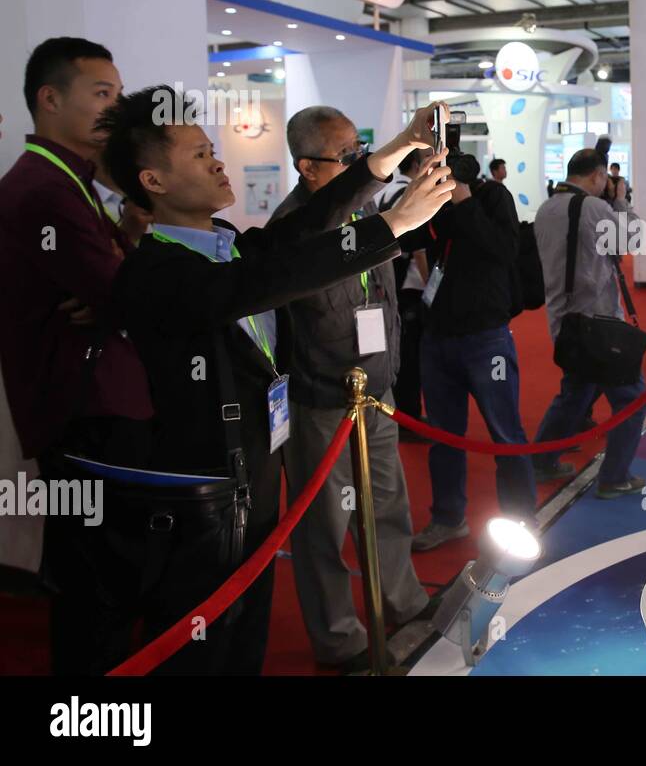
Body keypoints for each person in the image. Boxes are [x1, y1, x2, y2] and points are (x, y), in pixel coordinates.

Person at [103, 87, 452, 674]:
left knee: (247, 629)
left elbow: (312, 221)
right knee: (205, 638)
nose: (216, 162)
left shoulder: (229, 246)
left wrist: (399, 147)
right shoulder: (157, 272)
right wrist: (393, 222)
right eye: (197, 155)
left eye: (212, 149)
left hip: (255, 478)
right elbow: (274, 276)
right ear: (153, 182)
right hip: (206, 498)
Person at [0, 37, 154, 675]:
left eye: (117, 94)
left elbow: (117, 286)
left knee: (104, 583)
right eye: (101, 94)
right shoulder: (44, 188)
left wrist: (123, 274)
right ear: (49, 98)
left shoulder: (76, 181)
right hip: (85, 411)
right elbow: (122, 291)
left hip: (96, 403)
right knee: (99, 591)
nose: (114, 109)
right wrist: (123, 290)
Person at [270, 105, 438, 672]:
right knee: (324, 525)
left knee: (388, 504)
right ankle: (339, 636)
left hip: (378, 392)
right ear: (307, 167)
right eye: (347, 156)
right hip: (321, 402)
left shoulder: (366, 209)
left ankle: (403, 600)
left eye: (358, 148)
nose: (362, 163)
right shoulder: (294, 229)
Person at [414, 152, 538, 549]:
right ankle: (448, 518)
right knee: (443, 436)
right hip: (437, 335)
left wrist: (463, 198)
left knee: (506, 434)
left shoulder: (492, 196)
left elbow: (502, 250)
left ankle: (521, 522)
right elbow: (412, 243)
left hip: (486, 336)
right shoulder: (428, 205)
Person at [531, 149, 646, 498]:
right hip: (597, 323)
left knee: (576, 391)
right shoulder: (595, 208)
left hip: (562, 321)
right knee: (631, 399)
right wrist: (622, 200)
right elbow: (633, 239)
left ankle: (542, 460)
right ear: (597, 176)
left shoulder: (546, 208)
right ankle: (614, 477)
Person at [378, 149, 432, 420]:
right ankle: (409, 414)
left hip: (392, 281)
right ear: (416, 163)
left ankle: (403, 411)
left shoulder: (388, 192)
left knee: (402, 350)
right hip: (409, 286)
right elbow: (419, 250)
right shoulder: (408, 195)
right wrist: (432, 290)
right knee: (410, 355)